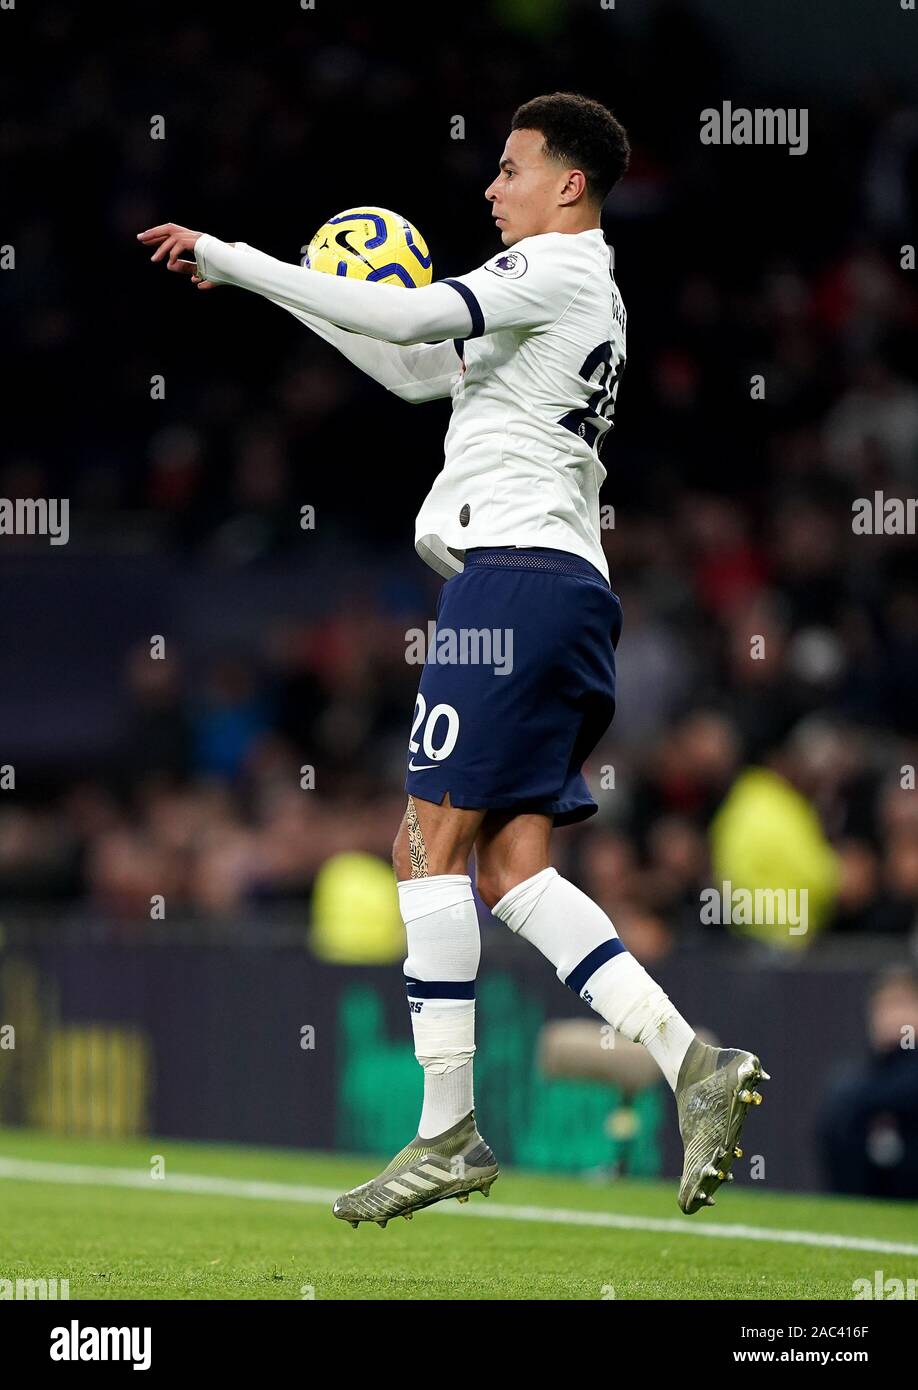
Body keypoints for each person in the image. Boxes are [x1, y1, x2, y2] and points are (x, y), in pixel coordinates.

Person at [138, 91, 768, 1225]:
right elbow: (421, 368)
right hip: (567, 593)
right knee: (513, 869)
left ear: (567, 184)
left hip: (515, 585)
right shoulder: (576, 295)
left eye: (511, 170)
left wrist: (235, 256)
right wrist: (268, 291)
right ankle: (694, 1065)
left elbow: (421, 320)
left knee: (422, 842)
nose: (491, 189)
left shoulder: (559, 272)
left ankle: (447, 1131)